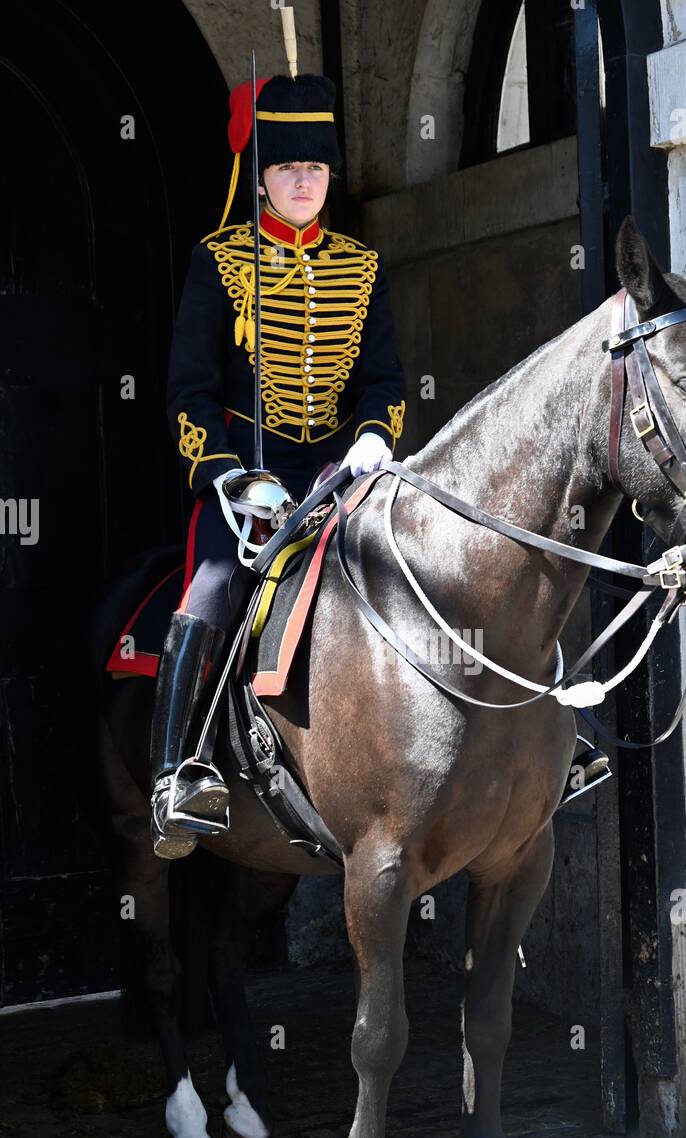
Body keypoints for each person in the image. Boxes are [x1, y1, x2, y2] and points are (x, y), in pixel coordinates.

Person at [150, 72, 407, 858]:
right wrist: (230, 475)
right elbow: (188, 394)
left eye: (316, 170)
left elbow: (385, 382)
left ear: (329, 178)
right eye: (288, 168)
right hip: (247, 481)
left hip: (341, 474)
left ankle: (552, 739)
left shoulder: (360, 268)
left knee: (438, 562)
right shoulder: (220, 259)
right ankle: (178, 771)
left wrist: (371, 438)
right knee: (214, 588)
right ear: (262, 175)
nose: (303, 181)